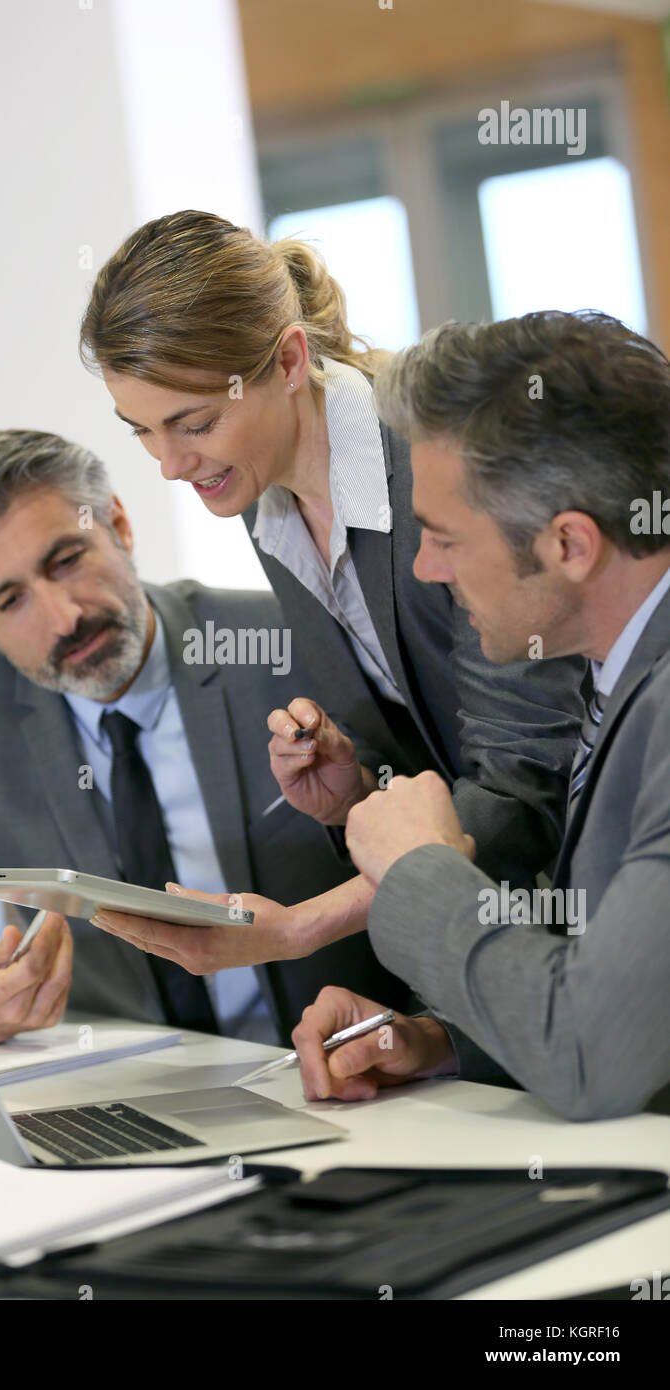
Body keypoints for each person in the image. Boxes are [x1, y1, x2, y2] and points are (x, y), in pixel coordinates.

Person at [75, 208, 585, 973]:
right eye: (140, 430)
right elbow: (429, 755)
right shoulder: (263, 500)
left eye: (195, 423)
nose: (169, 465)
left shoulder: (447, 470)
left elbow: (523, 781)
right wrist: (355, 785)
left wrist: (299, 927)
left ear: (286, 362)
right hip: (495, 928)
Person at [0, 429, 406, 1050]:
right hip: (123, 1098)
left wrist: (352, 797)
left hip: (337, 1067)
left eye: (66, 561)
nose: (65, 618)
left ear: (118, 524)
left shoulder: (290, 644)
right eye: (10, 600)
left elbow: (436, 846)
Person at [288, 310, 670, 1121]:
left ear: (570, 544)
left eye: (444, 538)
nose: (425, 569)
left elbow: (593, 1054)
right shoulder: (626, 675)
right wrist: (438, 1041)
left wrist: (420, 866)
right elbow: (636, 1005)